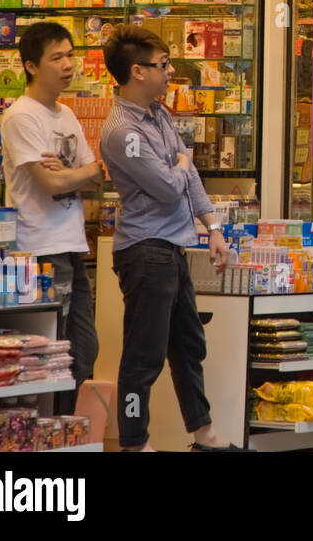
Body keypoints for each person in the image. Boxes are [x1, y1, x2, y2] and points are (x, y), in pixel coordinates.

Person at [99, 24, 243, 452]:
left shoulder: (158, 115)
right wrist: (181, 163)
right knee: (142, 359)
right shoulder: (122, 132)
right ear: (136, 72)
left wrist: (212, 227)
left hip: (172, 247)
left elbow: (187, 175)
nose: (170, 71)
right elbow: (165, 185)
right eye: (162, 65)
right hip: (144, 252)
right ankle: (133, 441)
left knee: (188, 346)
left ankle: (204, 434)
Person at [1, 22, 105, 415]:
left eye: (70, 55)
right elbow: (48, 182)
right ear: (31, 65)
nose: (68, 64)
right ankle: (49, 429)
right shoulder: (21, 116)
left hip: (72, 245)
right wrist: (72, 173)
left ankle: (64, 427)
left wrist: (70, 173)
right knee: (55, 350)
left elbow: (97, 175)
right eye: (56, 57)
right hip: (38, 248)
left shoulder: (68, 115)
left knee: (84, 350)